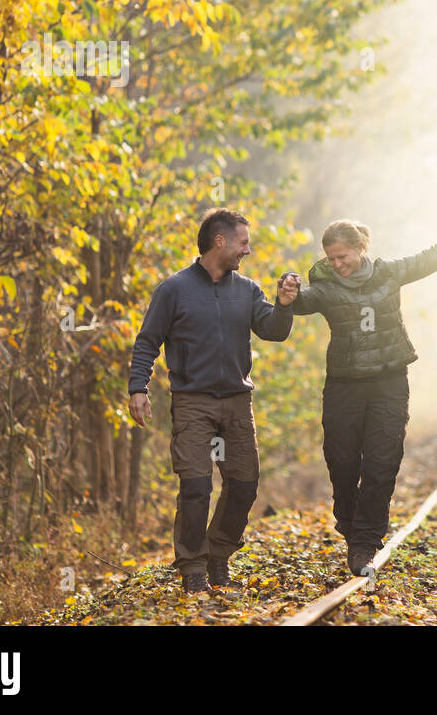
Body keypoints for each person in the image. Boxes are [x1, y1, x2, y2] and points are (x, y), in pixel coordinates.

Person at [292, 218, 437, 575]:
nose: (337, 264)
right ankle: (349, 522)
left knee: (381, 462)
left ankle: (364, 544)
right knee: (342, 462)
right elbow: (302, 301)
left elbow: (432, 256)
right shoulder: (326, 286)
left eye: (342, 256)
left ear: (360, 249)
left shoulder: (389, 273)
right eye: (331, 258)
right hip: (344, 385)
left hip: (389, 383)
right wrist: (289, 295)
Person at [126, 208, 302, 593]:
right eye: (243, 242)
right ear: (219, 241)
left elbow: (273, 330)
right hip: (193, 402)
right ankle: (192, 569)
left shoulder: (247, 289)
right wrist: (137, 388)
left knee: (244, 484)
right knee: (195, 487)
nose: (248, 250)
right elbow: (147, 341)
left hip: (238, 401)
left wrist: (285, 304)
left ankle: (218, 553)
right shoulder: (173, 289)